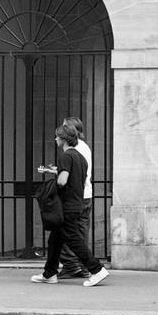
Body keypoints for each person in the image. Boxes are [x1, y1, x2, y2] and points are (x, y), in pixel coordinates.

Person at [31, 123, 110, 287]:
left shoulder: (66, 156)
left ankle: (97, 269)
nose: (55, 139)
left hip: (66, 206)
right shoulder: (80, 157)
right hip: (76, 203)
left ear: (64, 139)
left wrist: (54, 182)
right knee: (55, 240)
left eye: (57, 136)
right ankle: (49, 274)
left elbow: (62, 180)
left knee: (74, 240)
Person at [57, 115, 94, 280]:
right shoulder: (84, 147)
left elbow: (74, 175)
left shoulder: (74, 149)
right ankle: (81, 266)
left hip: (77, 196)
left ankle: (75, 265)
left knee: (70, 233)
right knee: (79, 232)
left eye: (65, 127)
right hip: (85, 195)